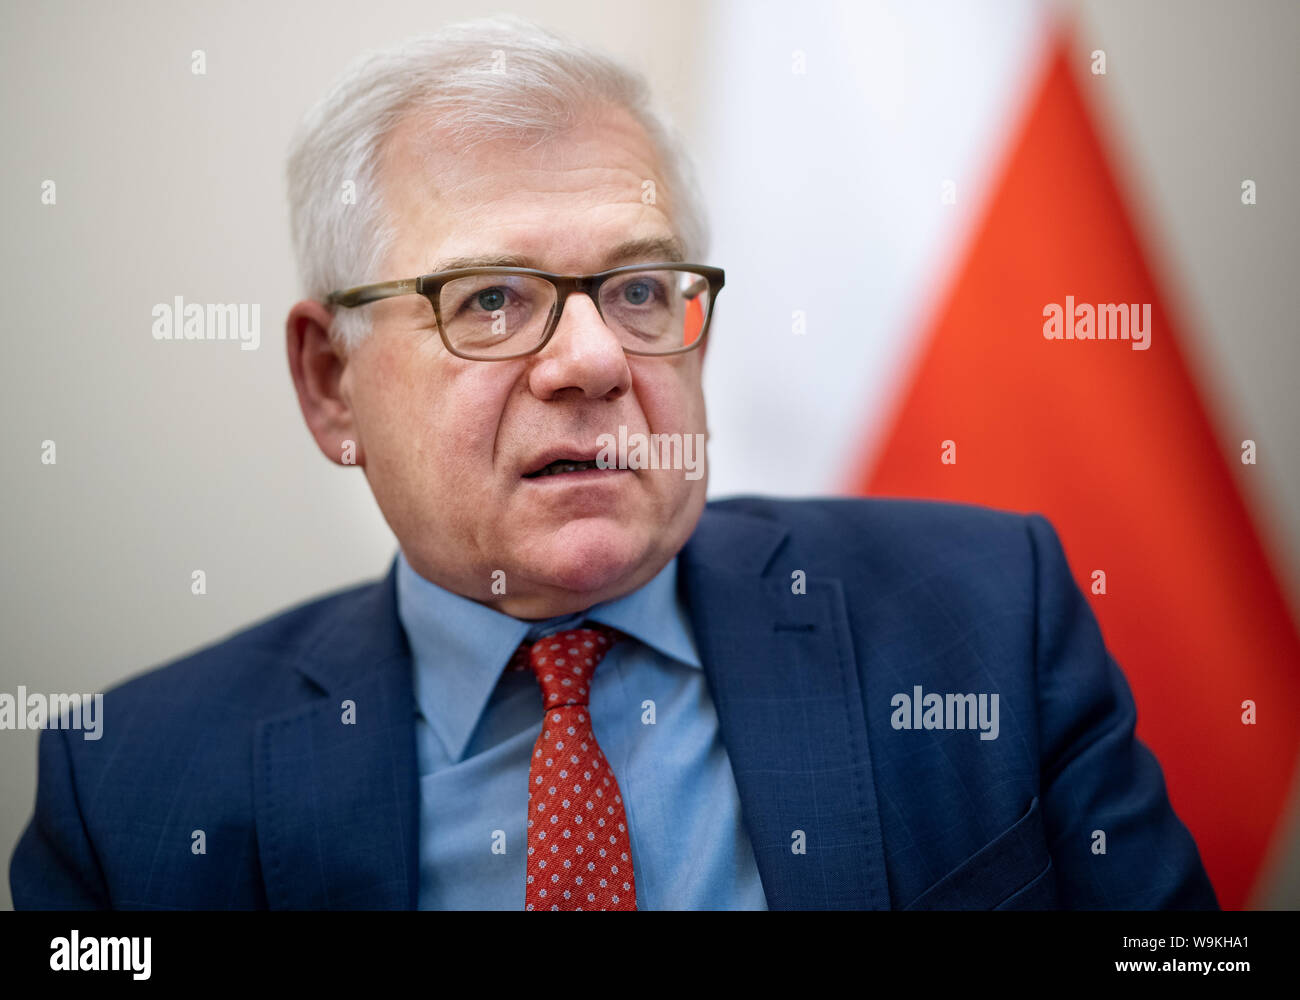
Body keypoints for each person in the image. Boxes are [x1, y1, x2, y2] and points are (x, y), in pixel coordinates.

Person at [10, 14, 1216, 911]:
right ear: (332, 383)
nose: (589, 359)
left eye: (639, 289)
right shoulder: (134, 797)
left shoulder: (983, 613)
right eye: (488, 299)